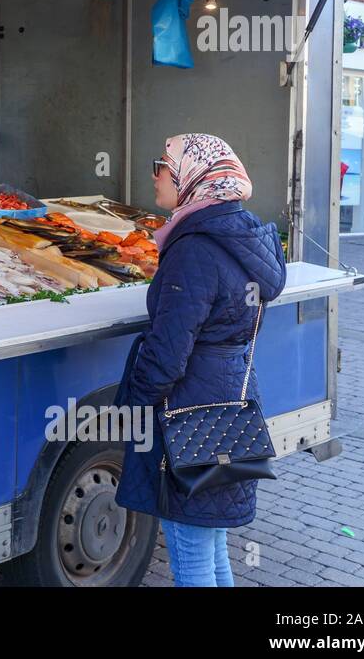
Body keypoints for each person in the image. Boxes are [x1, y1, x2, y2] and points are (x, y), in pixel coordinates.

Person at [113, 133, 287, 587]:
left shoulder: (194, 249)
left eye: (164, 165)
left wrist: (131, 408)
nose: (155, 175)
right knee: (209, 551)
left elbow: (168, 354)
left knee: (191, 560)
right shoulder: (243, 236)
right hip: (231, 402)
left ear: (194, 178)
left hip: (189, 415)